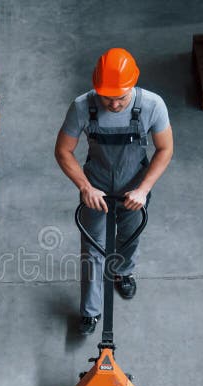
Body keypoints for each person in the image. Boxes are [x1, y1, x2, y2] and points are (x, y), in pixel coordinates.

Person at [55, 48, 174, 335]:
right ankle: (90, 311)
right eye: (107, 97)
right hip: (96, 185)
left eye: (120, 97)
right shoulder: (83, 107)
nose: (114, 103)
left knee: (130, 235)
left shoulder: (152, 105)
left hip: (135, 184)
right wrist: (85, 186)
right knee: (92, 247)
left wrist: (143, 189)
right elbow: (63, 150)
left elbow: (165, 148)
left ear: (132, 85)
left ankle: (123, 271)